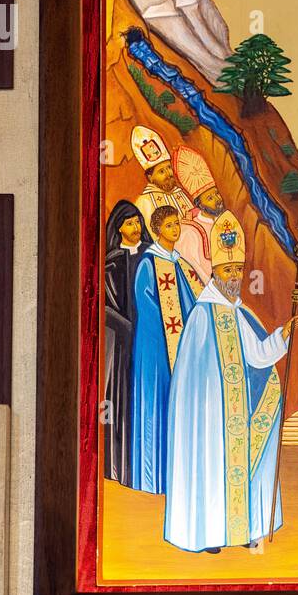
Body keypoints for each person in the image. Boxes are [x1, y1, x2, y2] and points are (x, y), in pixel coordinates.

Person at [164, 210, 295, 554]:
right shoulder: (202, 316)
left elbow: (257, 356)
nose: (235, 277)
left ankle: (245, 529)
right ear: (215, 272)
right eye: (228, 271)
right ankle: (209, 534)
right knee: (211, 469)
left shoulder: (240, 311)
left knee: (242, 470)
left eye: (238, 270)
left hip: (234, 416)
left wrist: (283, 335)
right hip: (209, 420)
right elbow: (193, 379)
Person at [129, 205, 202, 495]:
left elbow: (195, 297)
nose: (175, 230)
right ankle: (154, 477)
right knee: (158, 401)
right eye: (170, 225)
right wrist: (172, 334)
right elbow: (146, 306)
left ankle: (178, 475)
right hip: (157, 346)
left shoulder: (180, 263)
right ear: (158, 229)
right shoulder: (149, 263)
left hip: (180, 344)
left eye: (177, 224)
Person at [103, 200, 151, 486]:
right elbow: (108, 308)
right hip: (123, 346)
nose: (135, 227)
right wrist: (129, 328)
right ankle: (123, 469)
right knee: (122, 403)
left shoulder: (151, 256)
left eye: (137, 221)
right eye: (129, 222)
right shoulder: (112, 262)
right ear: (118, 227)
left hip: (149, 344)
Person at [171, 144, 225, 282]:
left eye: (216, 194)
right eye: (210, 198)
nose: (217, 200)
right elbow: (192, 273)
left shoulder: (226, 221)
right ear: (199, 205)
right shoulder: (189, 233)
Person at [131, 125, 192, 236]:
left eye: (169, 168)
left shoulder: (180, 193)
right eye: (161, 172)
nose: (169, 174)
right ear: (150, 178)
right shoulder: (144, 202)